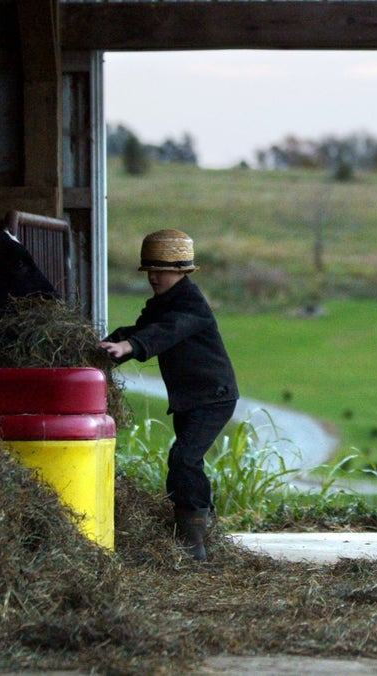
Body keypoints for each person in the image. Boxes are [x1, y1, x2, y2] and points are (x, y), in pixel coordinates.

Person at [99, 229, 239, 561]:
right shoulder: (163, 304)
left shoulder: (191, 305)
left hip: (213, 397)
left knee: (183, 459)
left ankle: (192, 543)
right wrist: (107, 347)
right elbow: (142, 329)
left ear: (180, 271)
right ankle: (203, 529)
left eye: (159, 270)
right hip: (191, 399)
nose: (152, 276)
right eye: (149, 269)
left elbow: (167, 331)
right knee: (188, 460)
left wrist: (131, 346)